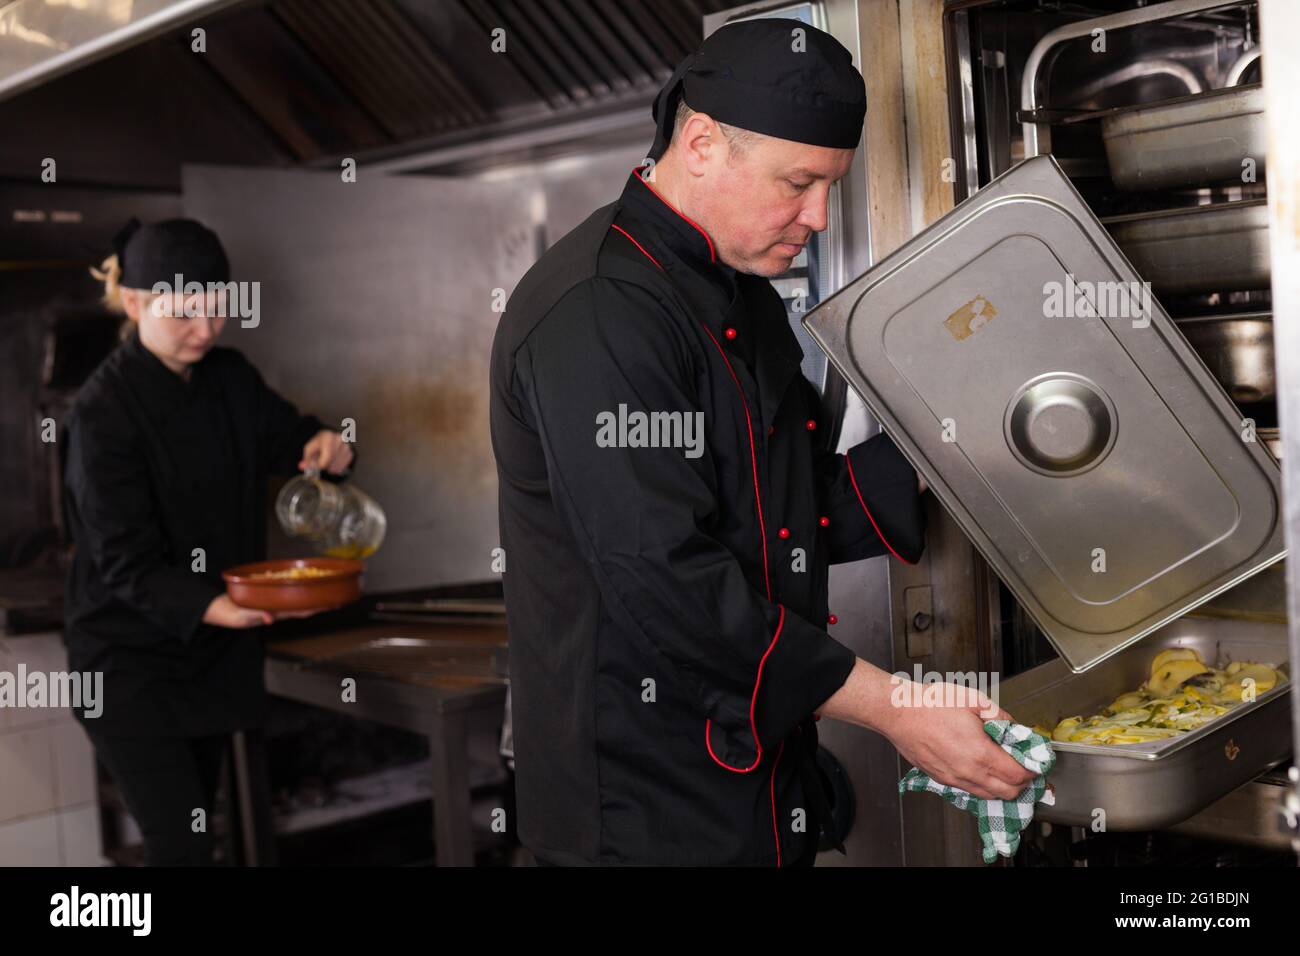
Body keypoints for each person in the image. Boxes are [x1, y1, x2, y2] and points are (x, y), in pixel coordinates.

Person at [489, 18, 1034, 866]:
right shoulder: (599, 311)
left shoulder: (741, 295)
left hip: (765, 782)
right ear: (702, 143)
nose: (817, 216)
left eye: (831, 187)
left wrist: (957, 439)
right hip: (641, 809)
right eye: (798, 183)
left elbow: (791, 514)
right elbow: (663, 577)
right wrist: (892, 704)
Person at [62, 218, 353, 865]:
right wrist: (216, 606)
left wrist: (326, 443)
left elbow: (292, 436)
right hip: (128, 665)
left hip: (209, 657)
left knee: (199, 838)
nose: (205, 330)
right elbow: (122, 560)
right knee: (184, 846)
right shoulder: (103, 411)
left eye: (217, 311)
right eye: (185, 314)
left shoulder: (229, 377)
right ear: (135, 303)